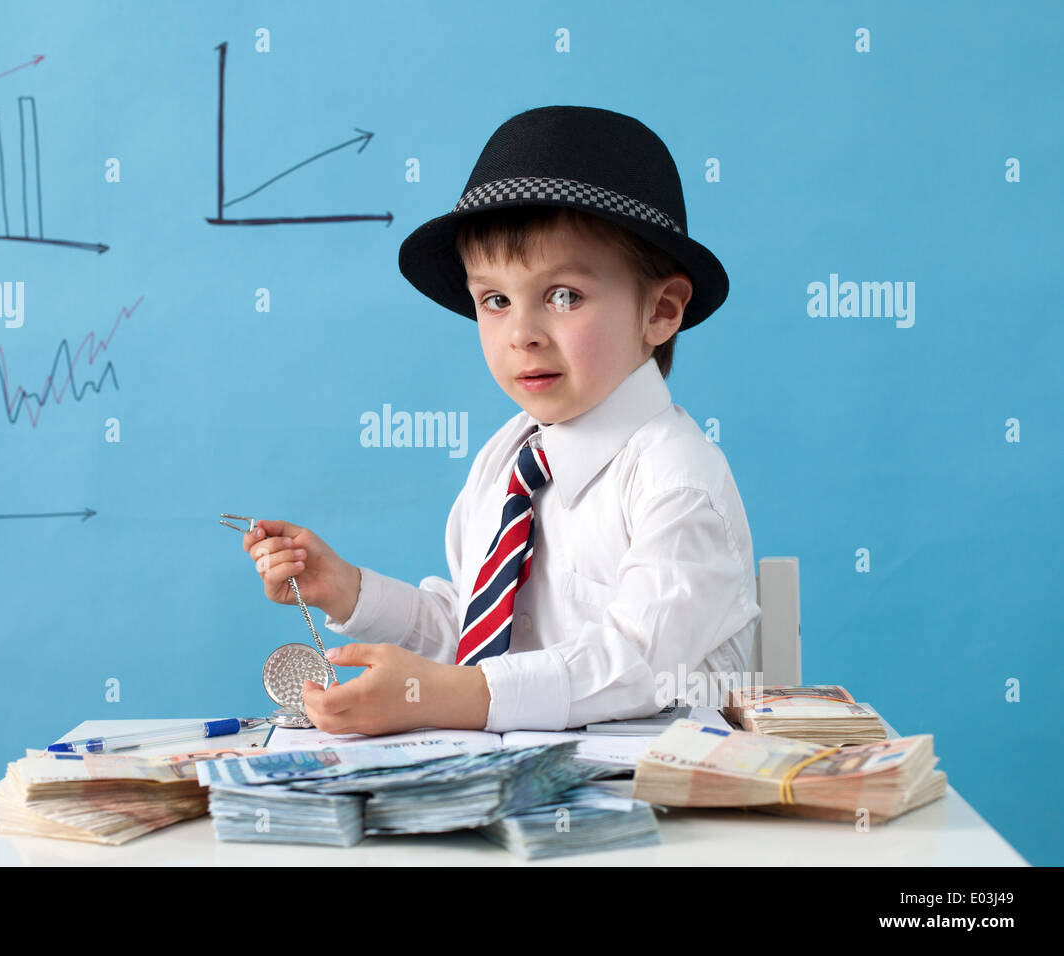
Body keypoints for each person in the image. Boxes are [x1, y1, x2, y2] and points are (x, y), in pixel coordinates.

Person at [237, 106, 761, 734]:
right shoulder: (505, 462)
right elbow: (474, 630)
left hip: (663, 804)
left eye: (563, 296)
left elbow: (637, 662)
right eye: (495, 300)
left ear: (661, 310)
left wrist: (438, 698)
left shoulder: (676, 478)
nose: (522, 334)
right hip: (514, 784)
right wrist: (346, 588)